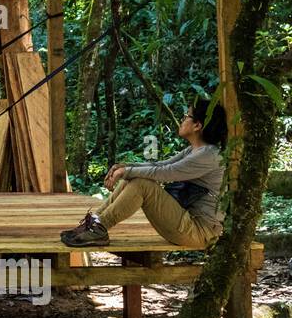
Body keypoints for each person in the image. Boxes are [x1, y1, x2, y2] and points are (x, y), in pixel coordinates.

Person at [61, 95, 227, 249]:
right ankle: (95, 224)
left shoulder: (208, 155)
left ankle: (99, 227)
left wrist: (126, 171)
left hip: (200, 233)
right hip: (186, 225)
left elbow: (167, 172)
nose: (182, 120)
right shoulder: (195, 150)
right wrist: (124, 167)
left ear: (197, 125)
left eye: (186, 116)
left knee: (142, 184)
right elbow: (161, 164)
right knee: (133, 178)